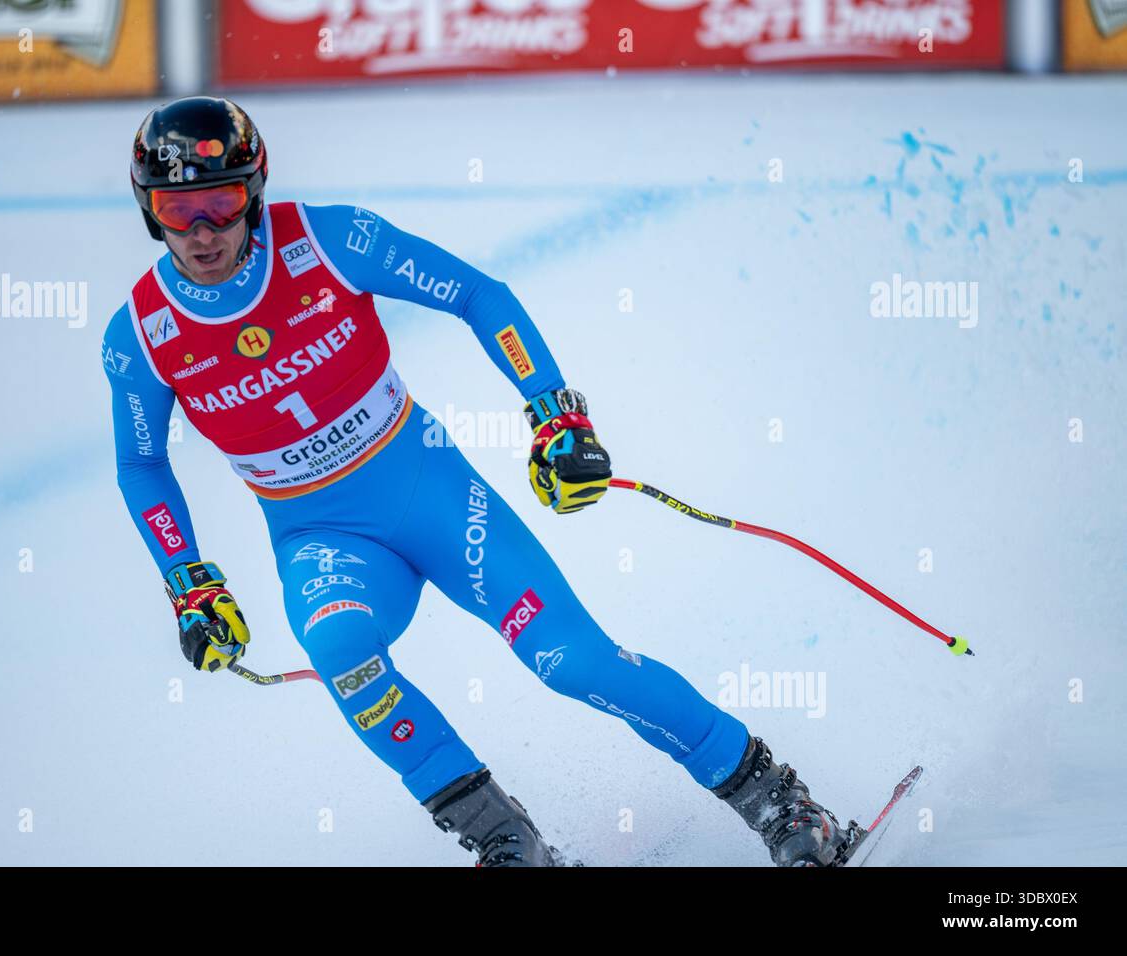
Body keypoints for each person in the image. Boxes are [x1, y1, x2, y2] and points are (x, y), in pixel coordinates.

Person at [101, 95, 853, 866]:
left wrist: (555, 414)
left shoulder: (326, 240)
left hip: (428, 490)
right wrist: (186, 577)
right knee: (342, 650)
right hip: (319, 536)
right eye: (177, 207)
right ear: (148, 209)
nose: (201, 231)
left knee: (573, 663)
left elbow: (477, 294)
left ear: (253, 194)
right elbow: (142, 462)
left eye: (220, 204)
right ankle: (506, 840)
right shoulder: (140, 334)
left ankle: (781, 802)